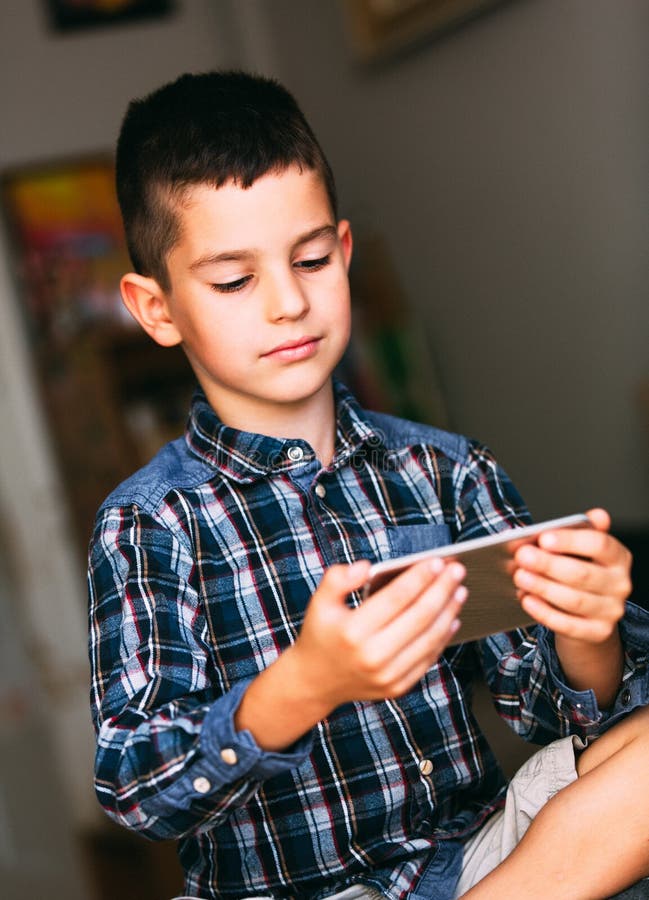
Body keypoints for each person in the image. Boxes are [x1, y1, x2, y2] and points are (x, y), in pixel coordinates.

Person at [88, 70, 649, 900]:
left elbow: (553, 715)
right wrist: (304, 684)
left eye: (310, 259)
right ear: (157, 307)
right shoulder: (149, 523)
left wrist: (587, 634)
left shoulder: (446, 470)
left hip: (481, 860)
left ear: (342, 253)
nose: (288, 302)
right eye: (235, 280)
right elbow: (138, 785)